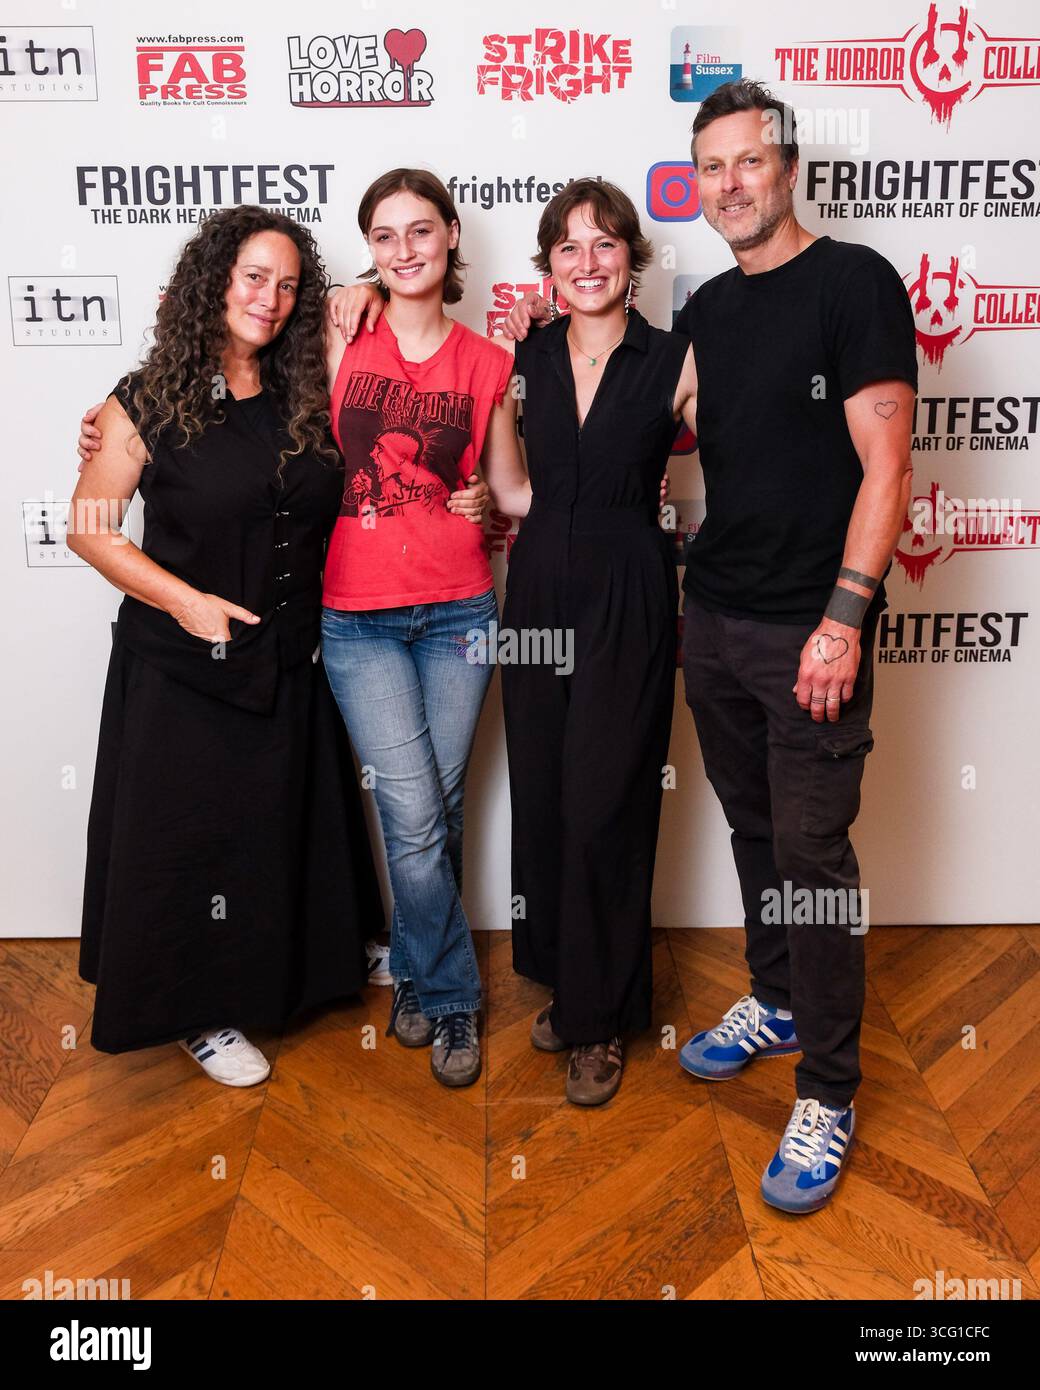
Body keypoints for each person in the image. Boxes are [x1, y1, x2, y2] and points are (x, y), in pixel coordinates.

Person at [504, 79, 917, 1209]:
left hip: (808, 626)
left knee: (815, 859)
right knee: (751, 831)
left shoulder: (854, 282)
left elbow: (885, 465)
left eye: (748, 161)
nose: (730, 184)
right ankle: (777, 1000)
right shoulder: (711, 319)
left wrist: (843, 616)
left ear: (786, 167)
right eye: (711, 168)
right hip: (716, 616)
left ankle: (827, 1087)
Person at [332, 178, 696, 1106]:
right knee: (544, 794)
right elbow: (517, 487)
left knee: (608, 802)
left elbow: (752, 452)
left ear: (630, 258)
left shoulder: (677, 358)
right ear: (547, 265)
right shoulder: (522, 356)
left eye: (605, 244)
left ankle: (602, 1020)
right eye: (567, 248)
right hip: (534, 595)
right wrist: (481, 500)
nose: (587, 262)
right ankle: (569, 986)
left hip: (627, 593)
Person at [67, 207, 385, 1085]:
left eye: (288, 284)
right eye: (253, 276)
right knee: (190, 841)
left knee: (273, 827)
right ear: (213, 281)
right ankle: (196, 1013)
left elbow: (387, 298)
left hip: (287, 660)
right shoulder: (145, 400)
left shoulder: (304, 390)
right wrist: (186, 603)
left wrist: (354, 290)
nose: (270, 299)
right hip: (180, 667)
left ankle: (304, 976)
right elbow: (89, 528)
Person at [320, 168, 525, 1088]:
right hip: (358, 617)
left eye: (421, 231)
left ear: (450, 238)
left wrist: (495, 497)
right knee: (411, 812)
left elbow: (511, 488)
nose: (404, 249)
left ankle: (410, 970)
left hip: (460, 611)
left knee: (431, 811)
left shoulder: (488, 363)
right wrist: (117, 421)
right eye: (385, 234)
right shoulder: (340, 331)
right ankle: (452, 1000)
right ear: (369, 248)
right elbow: (239, 386)